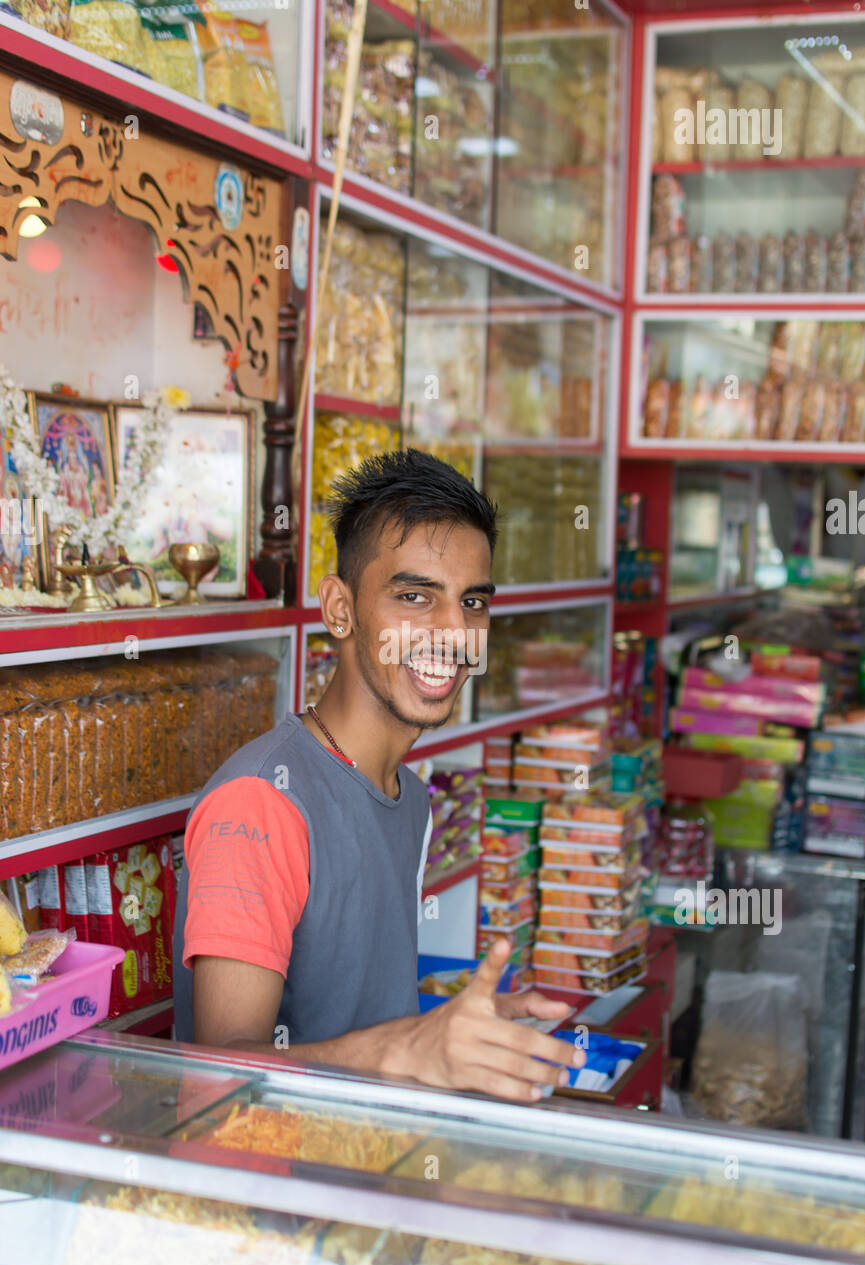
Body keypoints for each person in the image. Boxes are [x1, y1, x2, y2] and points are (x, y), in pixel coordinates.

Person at [173, 450, 580, 1102]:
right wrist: (410, 1050)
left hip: (373, 1175)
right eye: (414, 596)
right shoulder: (261, 804)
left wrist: (456, 1038)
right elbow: (215, 1080)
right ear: (339, 609)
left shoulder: (410, 797)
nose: (454, 631)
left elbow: (353, 1032)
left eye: (472, 602)